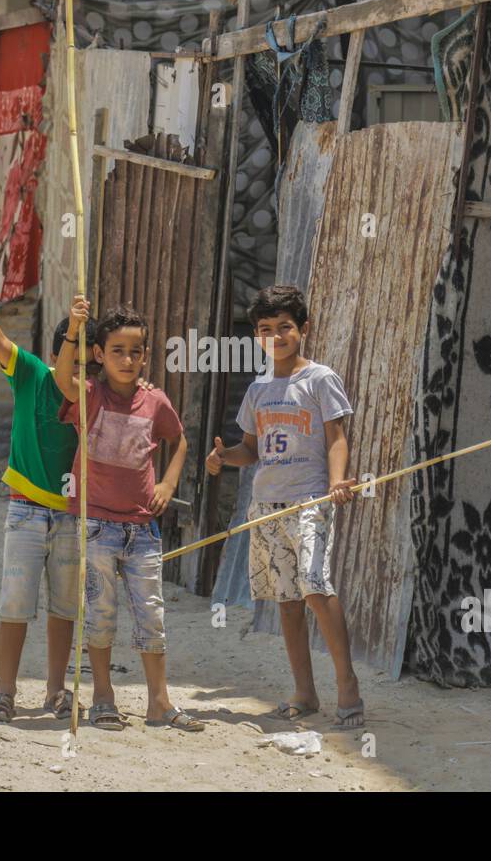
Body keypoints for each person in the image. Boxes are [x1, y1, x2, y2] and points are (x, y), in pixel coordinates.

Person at [205, 284, 365, 728]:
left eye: (285, 327)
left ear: (304, 329)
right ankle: (304, 692)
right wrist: (224, 457)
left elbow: (336, 437)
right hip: (267, 506)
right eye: (266, 329)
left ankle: (347, 684)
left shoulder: (319, 379)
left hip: (311, 499)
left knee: (314, 586)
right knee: (287, 600)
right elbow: (250, 452)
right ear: (256, 335)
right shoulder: (257, 390)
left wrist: (336, 483)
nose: (276, 336)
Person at [54, 296, 203, 732]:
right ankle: (103, 697)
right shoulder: (89, 394)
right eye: (116, 350)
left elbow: (180, 441)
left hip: (142, 529)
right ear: (99, 355)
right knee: (100, 615)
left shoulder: (155, 402)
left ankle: (160, 702)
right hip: (96, 525)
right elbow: (62, 374)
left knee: (151, 615)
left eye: (135, 351)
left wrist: (168, 484)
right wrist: (72, 329)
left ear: (145, 356)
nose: (127, 359)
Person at [0, 281, 87, 722]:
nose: (80, 370)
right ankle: (5, 691)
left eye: (89, 362)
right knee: (14, 604)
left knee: (65, 608)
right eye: (73, 358)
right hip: (26, 510)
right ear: (55, 356)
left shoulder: (93, 398)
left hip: (71, 515)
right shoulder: (32, 373)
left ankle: (54, 690)